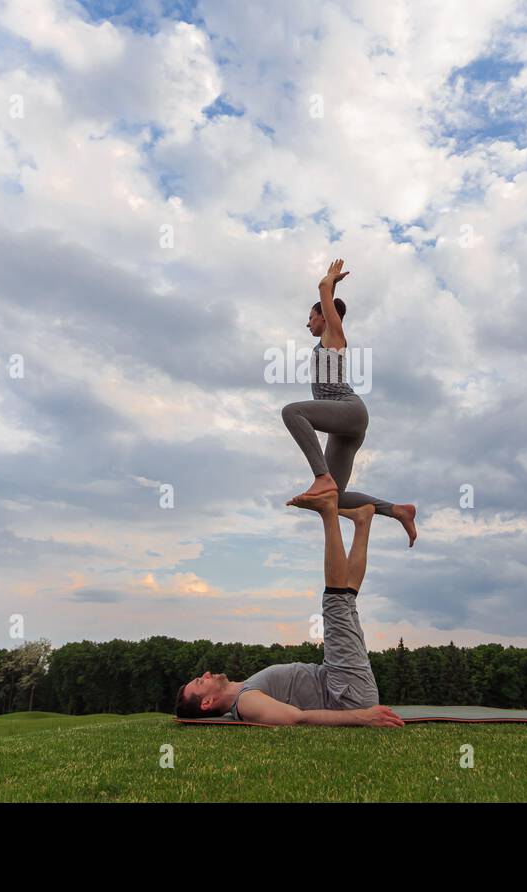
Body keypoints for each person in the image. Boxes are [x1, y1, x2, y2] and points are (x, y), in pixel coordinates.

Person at [174, 493, 404, 727]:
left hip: (339, 683)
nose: (206, 674)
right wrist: (363, 717)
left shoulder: (245, 688)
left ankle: (362, 522)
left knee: (345, 600)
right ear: (207, 703)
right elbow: (296, 718)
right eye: (201, 682)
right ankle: (328, 512)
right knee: (335, 603)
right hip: (345, 695)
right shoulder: (245, 702)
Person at [281, 258, 418, 547]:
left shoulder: (334, 334)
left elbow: (322, 290)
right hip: (343, 428)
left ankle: (321, 478)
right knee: (337, 497)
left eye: (311, 316)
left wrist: (328, 283)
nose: (308, 322)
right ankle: (398, 510)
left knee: (292, 412)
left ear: (323, 317)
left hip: (350, 411)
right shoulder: (326, 340)